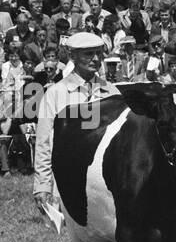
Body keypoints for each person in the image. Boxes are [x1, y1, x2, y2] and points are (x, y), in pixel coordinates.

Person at [32, 31, 117, 227]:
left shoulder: (112, 92)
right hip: (66, 187)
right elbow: (43, 143)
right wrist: (42, 185)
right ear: (73, 57)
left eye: (99, 53)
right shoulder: (55, 94)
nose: (96, 59)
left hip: (106, 190)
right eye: (88, 54)